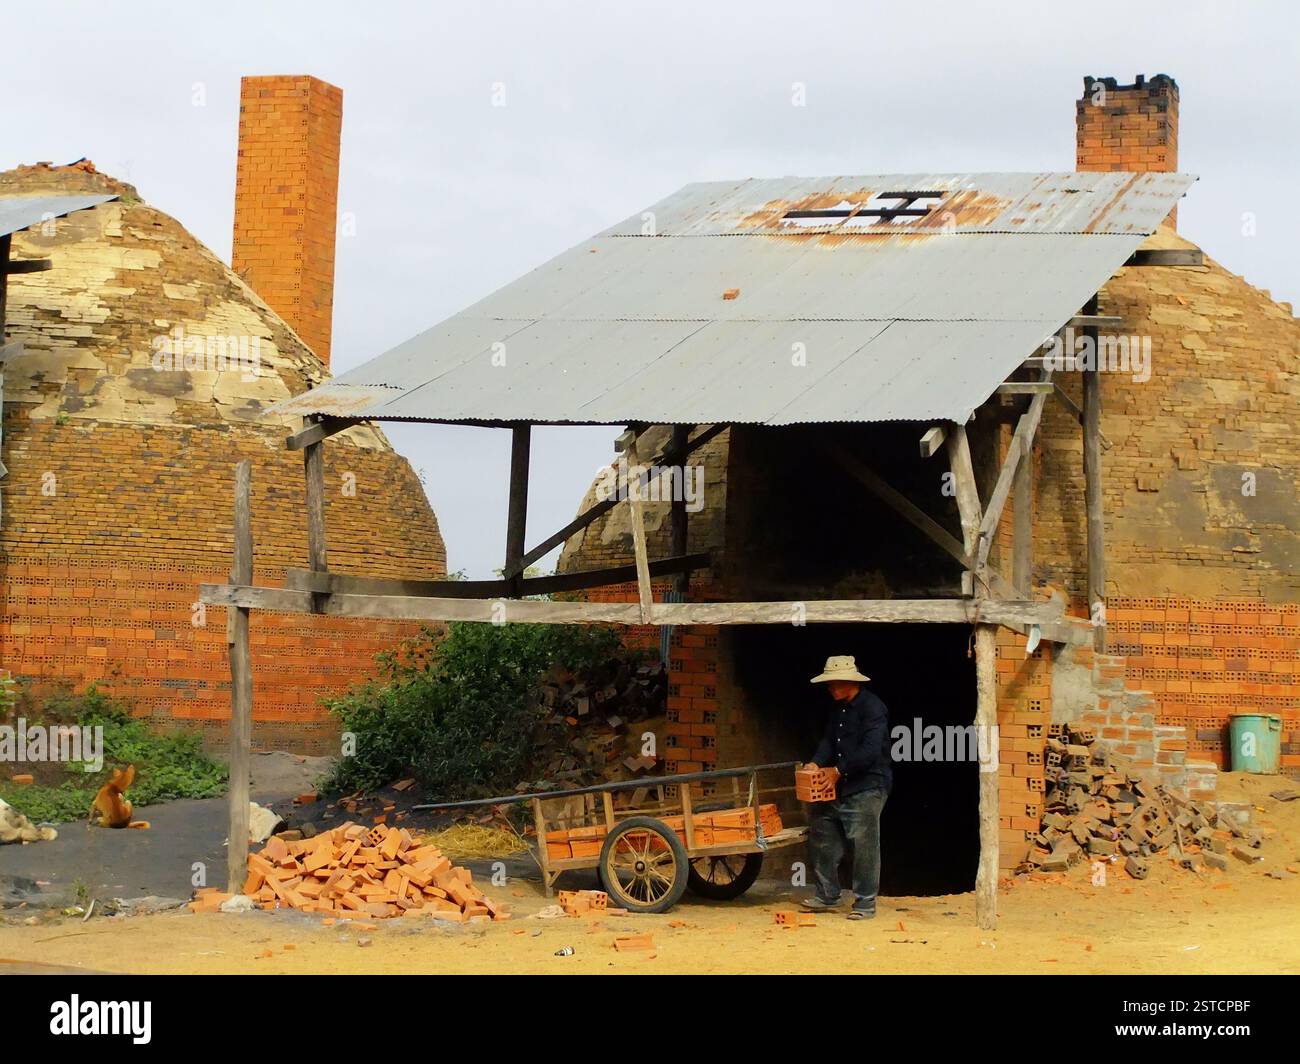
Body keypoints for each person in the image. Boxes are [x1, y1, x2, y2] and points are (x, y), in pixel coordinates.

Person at [800, 654, 891, 919]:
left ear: (849, 682)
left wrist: (839, 770)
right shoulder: (837, 709)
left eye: (833, 683)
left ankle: (864, 903)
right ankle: (827, 894)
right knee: (822, 833)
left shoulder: (873, 708)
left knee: (863, 844)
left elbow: (871, 751)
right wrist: (816, 763)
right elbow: (829, 741)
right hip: (839, 785)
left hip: (868, 785)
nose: (829, 688)